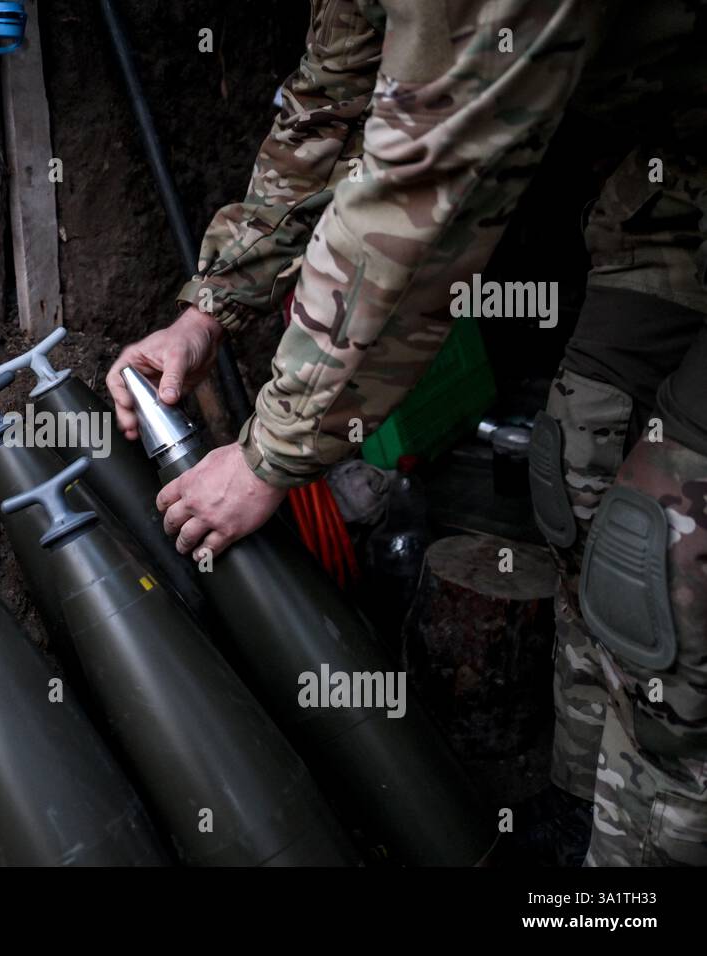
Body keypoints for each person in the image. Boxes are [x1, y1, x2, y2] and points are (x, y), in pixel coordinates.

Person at [107, 0, 707, 866]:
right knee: (580, 461)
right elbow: (332, 101)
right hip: (675, 189)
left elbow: (425, 185)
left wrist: (272, 454)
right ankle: (585, 811)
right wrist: (211, 310)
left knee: (664, 558)